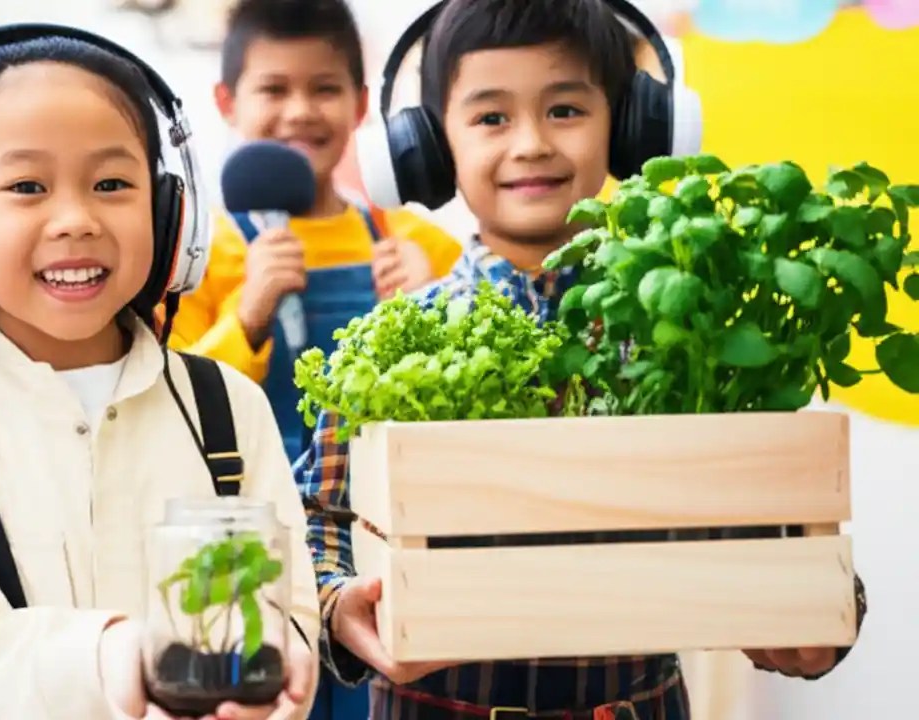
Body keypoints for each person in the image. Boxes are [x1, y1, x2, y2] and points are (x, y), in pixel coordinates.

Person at [297, 1, 869, 718]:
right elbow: (314, 519)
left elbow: (782, 506)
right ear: (431, 148)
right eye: (491, 118)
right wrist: (337, 603)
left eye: (565, 109)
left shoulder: (686, 335)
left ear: (632, 128)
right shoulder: (395, 340)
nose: (532, 143)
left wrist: (821, 604)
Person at [0, 25, 320, 719]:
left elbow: (284, 618)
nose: (76, 219)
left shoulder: (229, 410)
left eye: (112, 183)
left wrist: (284, 669)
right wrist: (105, 658)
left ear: (171, 214)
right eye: (27, 186)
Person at [169, 0, 464, 466]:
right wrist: (247, 318)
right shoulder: (197, 254)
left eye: (325, 89)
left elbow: (472, 408)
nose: (301, 111)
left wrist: (434, 306)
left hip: (386, 512)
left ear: (361, 104)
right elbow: (171, 412)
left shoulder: (419, 245)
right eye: (274, 90)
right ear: (226, 102)